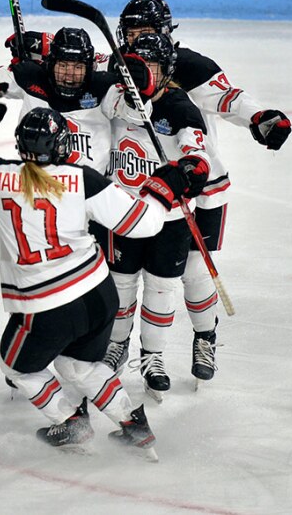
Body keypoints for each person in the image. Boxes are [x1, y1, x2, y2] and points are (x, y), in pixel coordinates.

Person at [0, 83, 195, 454]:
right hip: (98, 294)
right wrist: (164, 187)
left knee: (16, 368)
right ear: (63, 146)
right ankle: (134, 426)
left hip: (46, 308)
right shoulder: (82, 179)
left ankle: (71, 422)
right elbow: (144, 224)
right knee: (79, 366)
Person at [115, 0, 292, 383]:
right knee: (128, 275)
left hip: (201, 188)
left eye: (145, 31)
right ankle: (122, 344)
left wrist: (260, 118)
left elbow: (231, 98)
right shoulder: (118, 69)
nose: (136, 38)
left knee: (194, 273)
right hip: (141, 189)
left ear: (164, 32)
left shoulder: (188, 65)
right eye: (131, 31)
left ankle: (204, 337)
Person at [100, 34, 210, 400]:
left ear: (167, 72)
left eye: (154, 67)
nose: (144, 73)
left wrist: (188, 173)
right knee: (121, 286)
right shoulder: (114, 96)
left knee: (162, 288)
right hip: (123, 212)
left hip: (169, 219)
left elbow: (198, 157)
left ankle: (153, 356)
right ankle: (117, 347)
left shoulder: (181, 108)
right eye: (137, 65)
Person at [0, 26, 152, 176]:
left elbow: (139, 116)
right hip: (36, 189)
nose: (69, 74)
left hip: (92, 197)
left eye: (77, 66)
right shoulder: (30, 77)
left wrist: (138, 93)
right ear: (48, 64)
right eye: (63, 65)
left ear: (90, 67)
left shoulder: (104, 87)